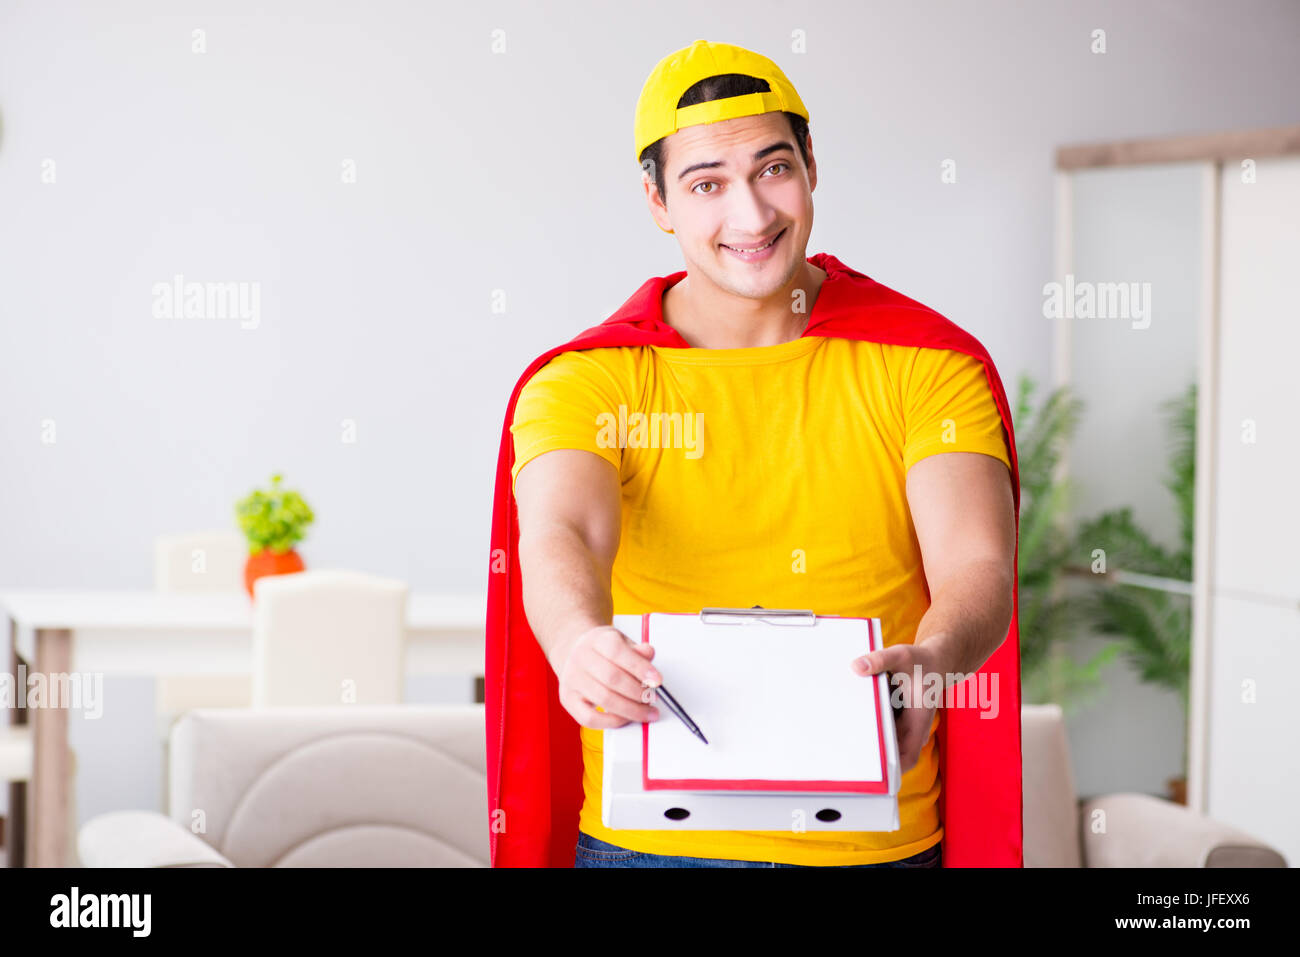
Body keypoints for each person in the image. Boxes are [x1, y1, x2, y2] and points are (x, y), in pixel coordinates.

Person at [485, 39, 1023, 868]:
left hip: (875, 839)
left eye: (773, 168)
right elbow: (565, 533)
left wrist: (937, 658)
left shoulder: (929, 364)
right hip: (647, 840)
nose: (752, 215)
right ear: (658, 201)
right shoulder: (586, 383)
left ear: (811, 166)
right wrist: (575, 640)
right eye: (706, 184)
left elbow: (976, 562)